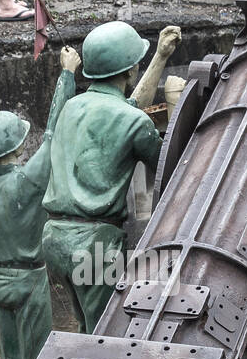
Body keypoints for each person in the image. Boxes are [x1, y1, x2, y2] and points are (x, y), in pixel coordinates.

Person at [42, 23, 181, 333]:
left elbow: (126, 106)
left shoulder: (72, 107)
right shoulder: (135, 122)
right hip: (94, 247)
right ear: (131, 70)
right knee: (106, 334)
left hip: (54, 239)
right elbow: (172, 169)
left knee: (86, 326)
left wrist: (160, 57)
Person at [0, 47, 80, 359]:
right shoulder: (28, 182)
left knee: (11, 351)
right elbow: (53, 135)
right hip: (29, 280)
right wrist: (67, 74)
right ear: (17, 146)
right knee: (37, 352)